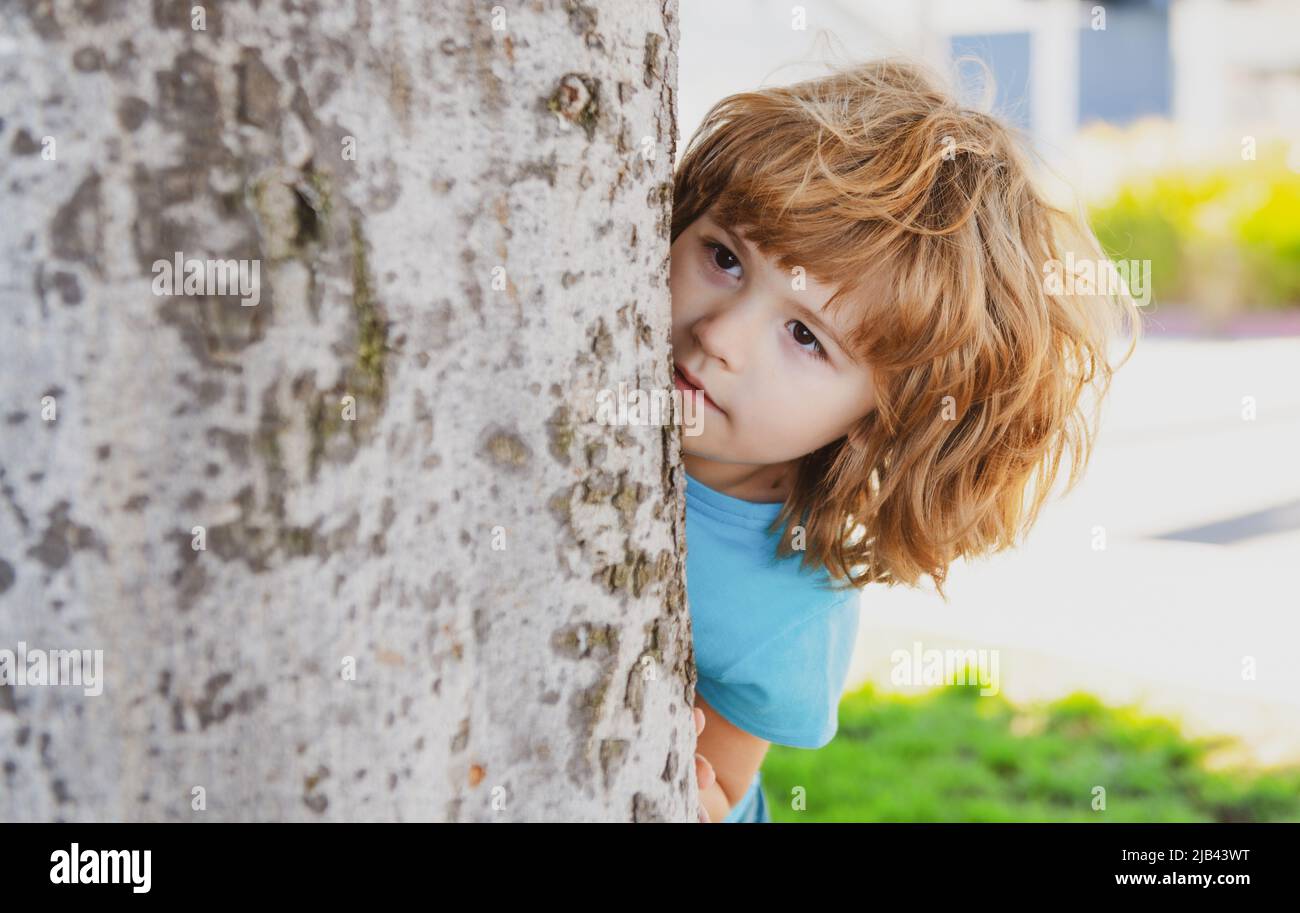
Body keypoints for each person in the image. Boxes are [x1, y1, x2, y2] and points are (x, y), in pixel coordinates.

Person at [675, 58, 1143, 823]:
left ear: (882, 416)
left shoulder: (788, 608)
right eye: (724, 257)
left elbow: (716, 790)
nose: (719, 334)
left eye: (804, 335)